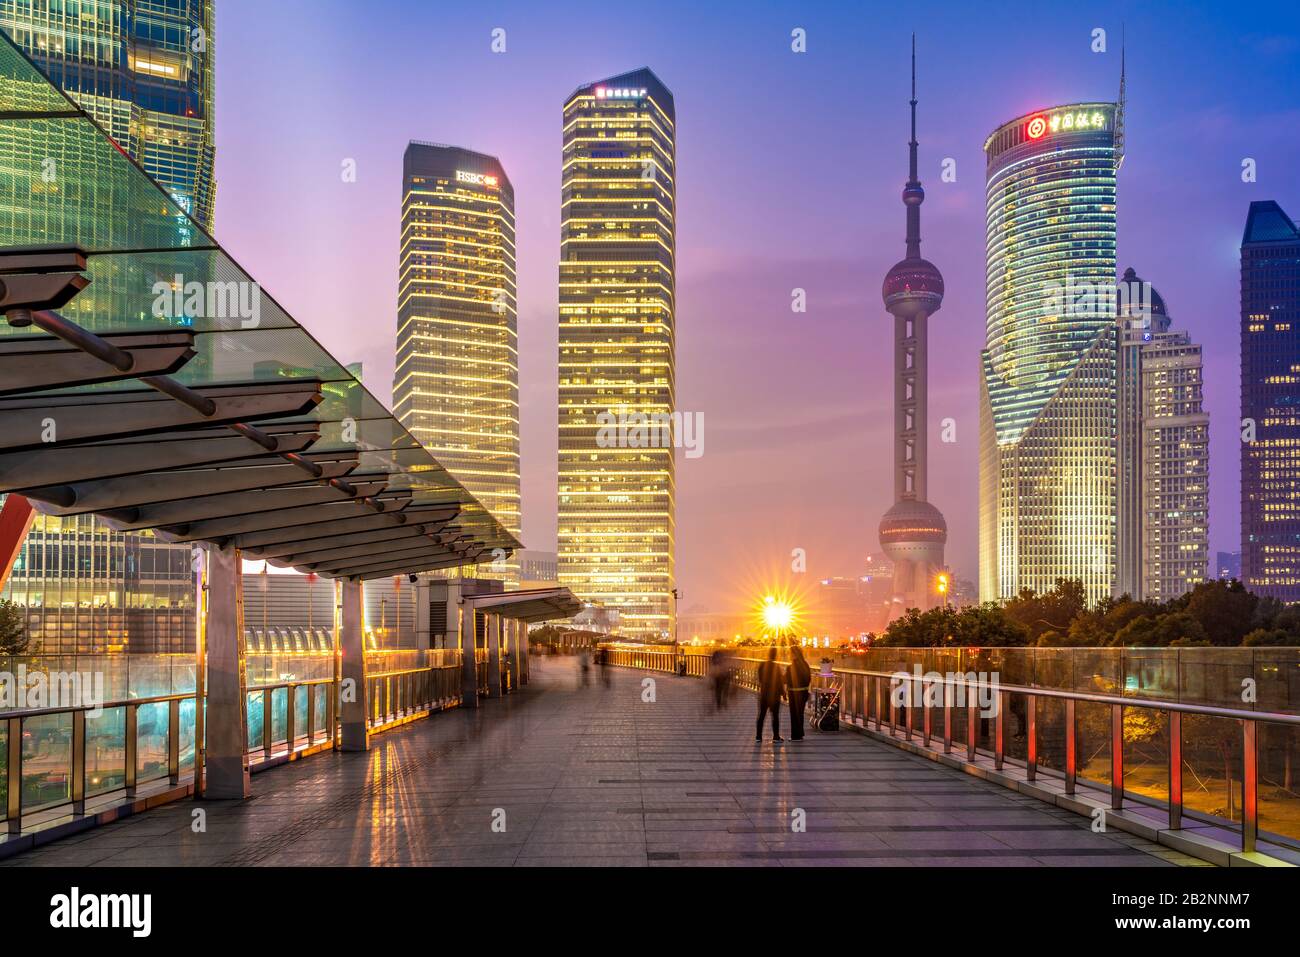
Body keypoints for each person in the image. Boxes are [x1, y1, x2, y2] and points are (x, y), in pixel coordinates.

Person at [755, 647, 786, 742]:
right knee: (775, 716)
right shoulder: (776, 667)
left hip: (764, 693)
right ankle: (776, 736)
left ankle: (758, 737)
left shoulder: (762, 665)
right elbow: (780, 682)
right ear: (775, 655)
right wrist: (783, 694)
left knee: (761, 715)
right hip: (774, 695)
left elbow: (760, 679)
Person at [786, 646, 811, 741]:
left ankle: (795, 736)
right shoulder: (805, 664)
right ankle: (800, 734)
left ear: (794, 654)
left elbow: (787, 680)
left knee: (794, 714)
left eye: (790, 653)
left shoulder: (791, 667)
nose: (789, 655)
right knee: (800, 713)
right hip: (803, 692)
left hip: (794, 693)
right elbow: (808, 678)